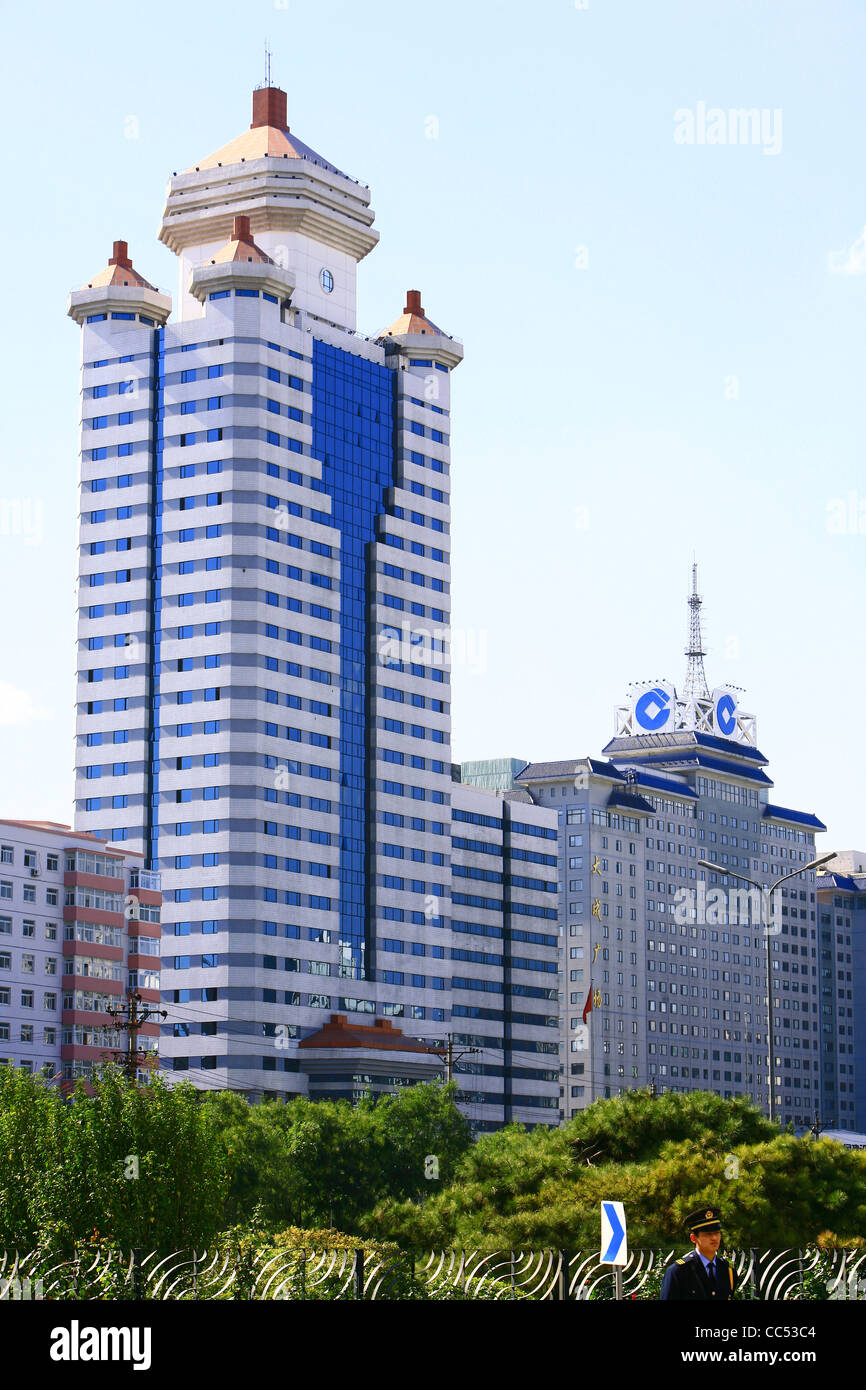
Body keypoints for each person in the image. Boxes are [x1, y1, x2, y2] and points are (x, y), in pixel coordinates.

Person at [659, 1205, 735, 1300]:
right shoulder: (679, 1271)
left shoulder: (727, 1270)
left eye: (717, 1233)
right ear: (693, 1238)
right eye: (708, 1234)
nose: (714, 1238)